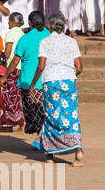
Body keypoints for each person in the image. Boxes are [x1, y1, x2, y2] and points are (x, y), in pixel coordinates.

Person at [28, 12, 84, 166]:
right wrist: (70, 74)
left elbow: (41, 65)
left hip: (51, 81)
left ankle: (50, 156)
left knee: (51, 115)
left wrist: (33, 84)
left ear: (49, 26)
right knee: (72, 115)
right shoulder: (71, 42)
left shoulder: (45, 41)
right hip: (69, 80)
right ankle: (78, 152)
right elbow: (79, 67)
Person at [7, 9, 49, 135]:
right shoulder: (49, 35)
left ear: (30, 23)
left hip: (29, 82)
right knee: (46, 113)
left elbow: (15, 61)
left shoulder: (24, 39)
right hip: (49, 81)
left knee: (34, 114)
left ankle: (41, 138)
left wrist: (5, 76)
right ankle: (44, 139)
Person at [0, 12, 25, 130]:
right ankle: (18, 122)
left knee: (9, 95)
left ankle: (12, 122)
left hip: (11, 68)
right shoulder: (23, 34)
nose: (8, 23)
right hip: (22, 67)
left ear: (13, 22)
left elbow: (8, 54)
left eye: (9, 21)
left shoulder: (10, 33)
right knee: (17, 95)